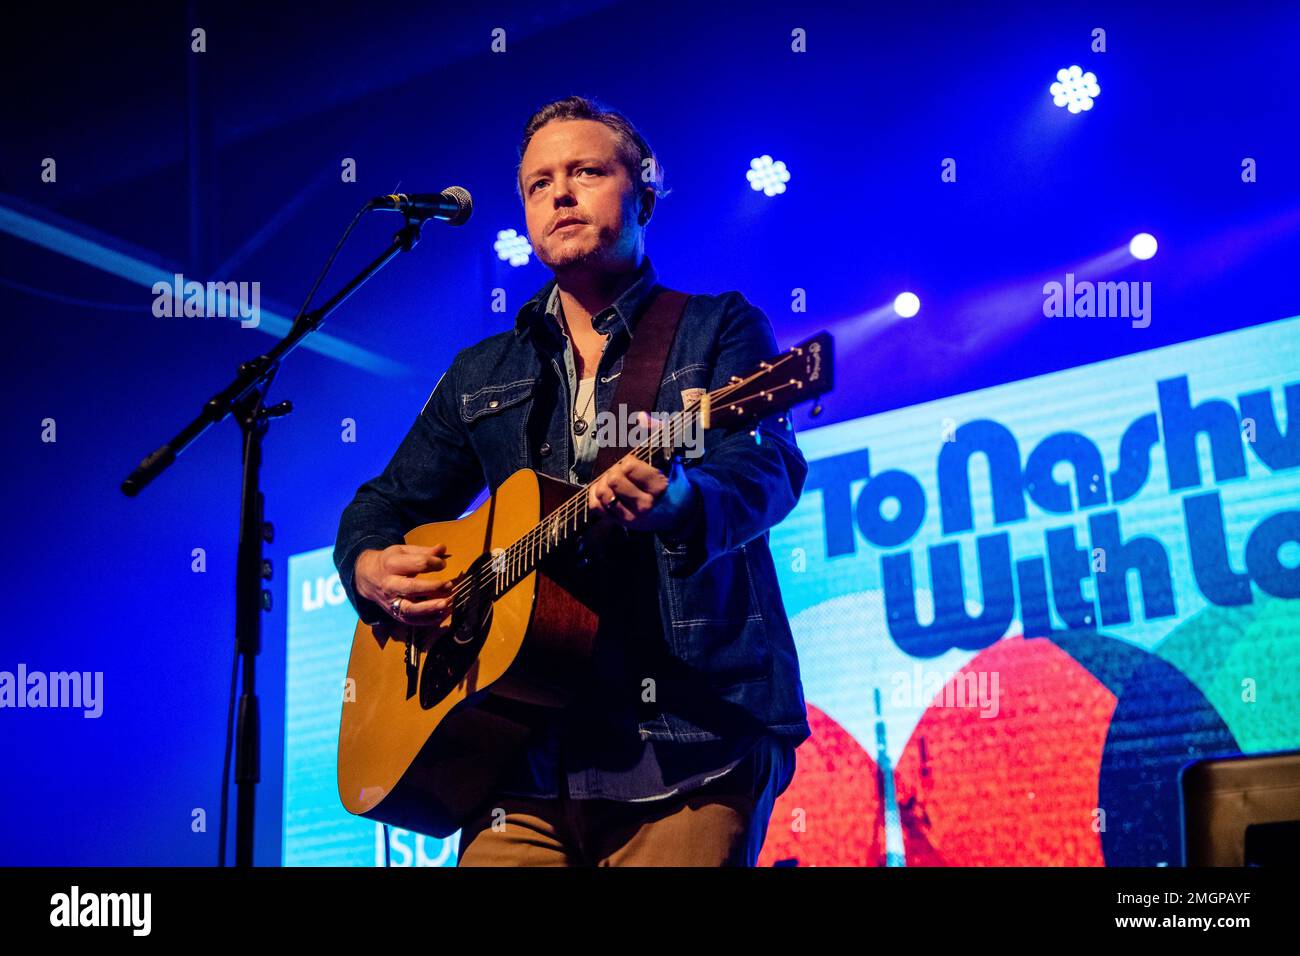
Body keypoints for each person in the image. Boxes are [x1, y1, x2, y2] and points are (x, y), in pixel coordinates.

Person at [334, 95, 812, 866]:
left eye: (586, 171)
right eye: (538, 183)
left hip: (687, 742)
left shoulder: (716, 328)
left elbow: (766, 466)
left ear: (643, 194)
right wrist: (367, 566)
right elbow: (383, 506)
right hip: (514, 754)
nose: (559, 193)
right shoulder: (483, 371)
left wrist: (685, 502)